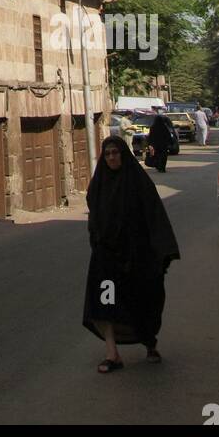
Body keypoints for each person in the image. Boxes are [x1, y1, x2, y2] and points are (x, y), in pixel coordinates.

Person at [83, 135, 180, 373]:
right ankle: (112, 353)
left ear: (123, 154)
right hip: (106, 257)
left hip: (137, 257)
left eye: (115, 153)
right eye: (107, 154)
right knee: (104, 303)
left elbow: (154, 215)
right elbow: (94, 217)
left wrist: (161, 251)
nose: (111, 157)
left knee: (143, 303)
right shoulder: (99, 184)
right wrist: (97, 240)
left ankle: (150, 343)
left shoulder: (138, 181)